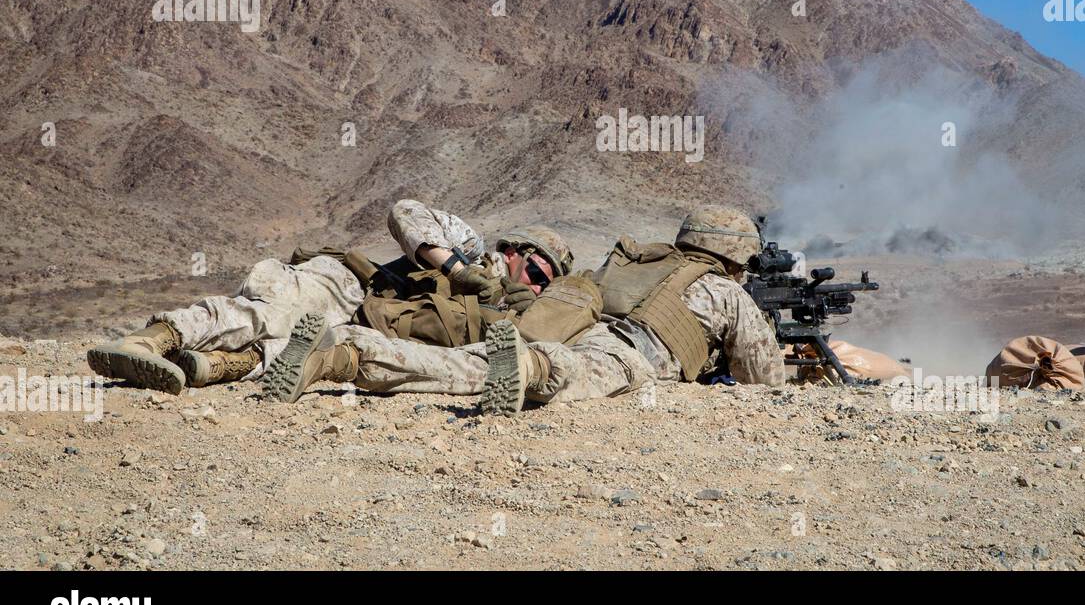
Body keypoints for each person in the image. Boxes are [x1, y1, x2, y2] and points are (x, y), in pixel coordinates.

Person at [262, 206, 786, 412]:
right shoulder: (727, 293)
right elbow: (763, 379)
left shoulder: (641, 259)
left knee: (474, 363)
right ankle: (353, 357)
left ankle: (351, 352)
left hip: (569, 324)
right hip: (624, 353)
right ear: (734, 257)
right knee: (554, 376)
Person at [87, 201, 568, 394]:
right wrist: (457, 268)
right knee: (268, 310)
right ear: (515, 250)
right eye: (536, 269)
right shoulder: (467, 244)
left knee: (298, 352)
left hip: (373, 328)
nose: (537, 283)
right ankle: (151, 341)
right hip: (352, 284)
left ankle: (206, 367)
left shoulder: (513, 307)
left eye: (546, 282)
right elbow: (405, 211)